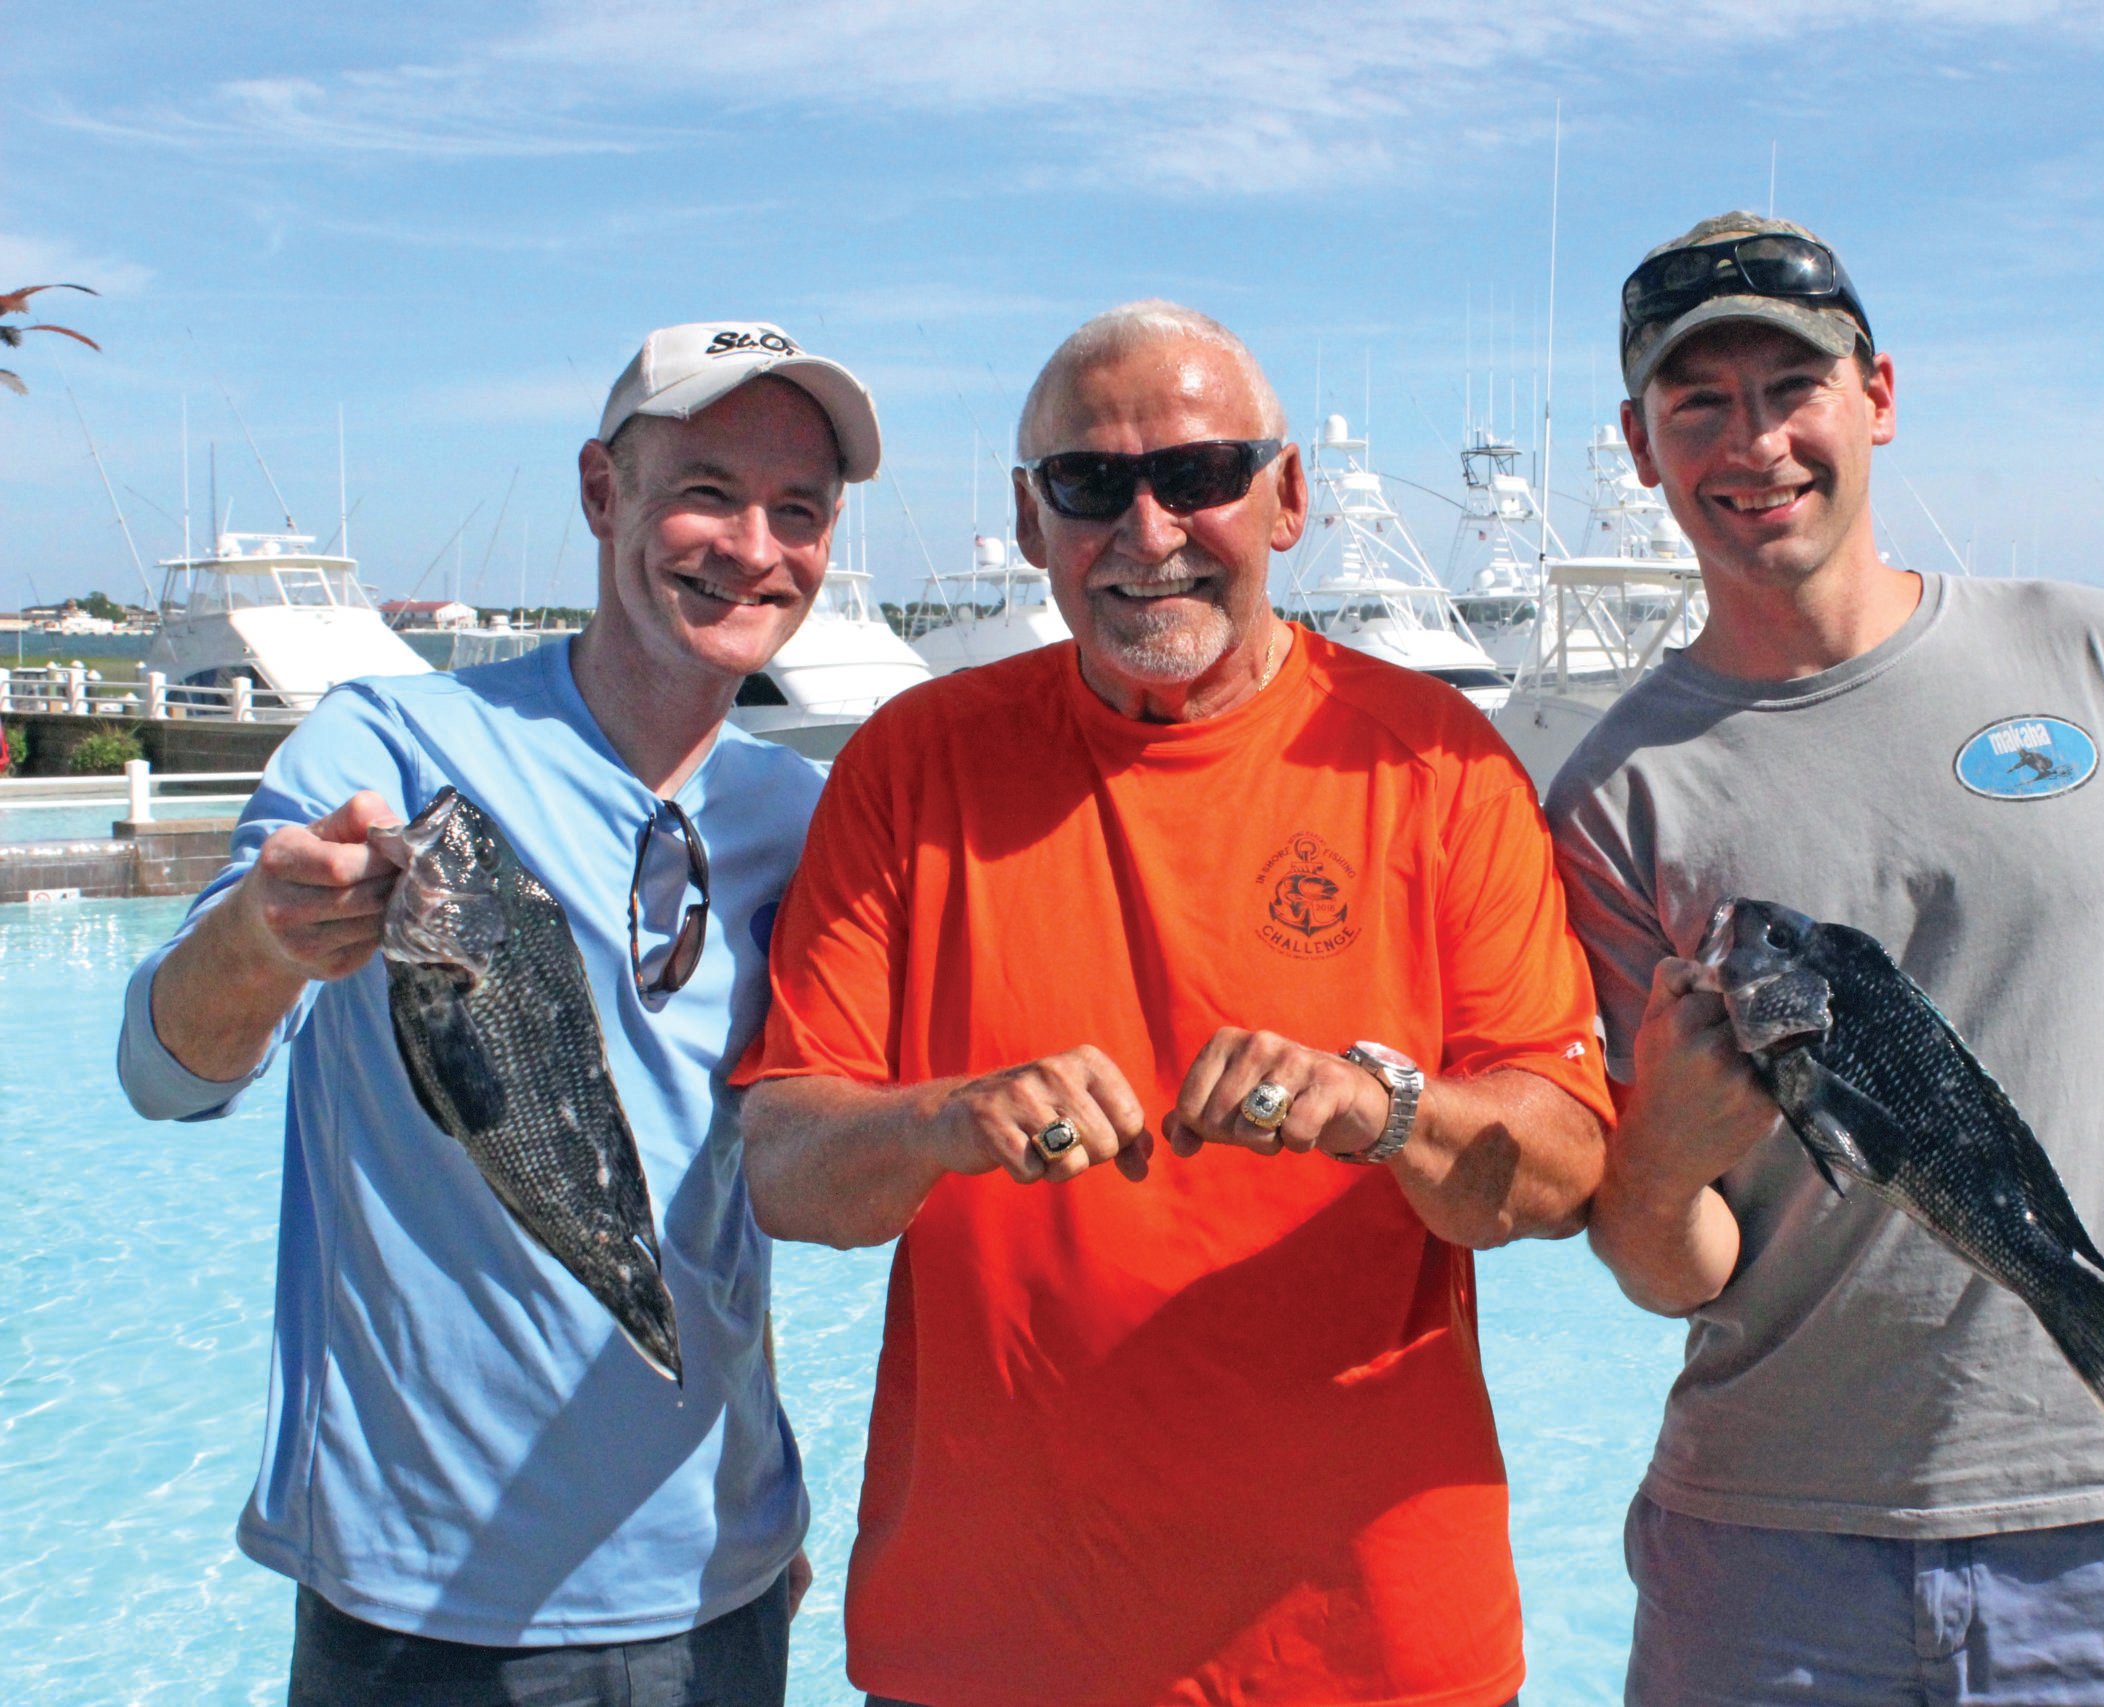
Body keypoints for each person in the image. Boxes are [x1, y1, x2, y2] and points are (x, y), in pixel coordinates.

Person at [1544, 214, 2104, 1704]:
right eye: (1696, 403)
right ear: (1641, 447)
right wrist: (1661, 1159)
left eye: (1793, 386)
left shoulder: (2101, 660)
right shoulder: (1610, 798)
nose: (1754, 442)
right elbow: (1665, 1266)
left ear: (1879, 397)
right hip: (1766, 1552)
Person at [736, 300, 1611, 1707]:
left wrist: (1381, 1108)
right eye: (1092, 483)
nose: (1149, 532)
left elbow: (1560, 1177)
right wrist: (944, 1121)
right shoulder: (910, 766)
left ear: (1288, 497)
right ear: (1032, 519)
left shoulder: (1439, 767)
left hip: (1370, 1650)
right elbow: (785, 1168)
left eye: (1200, 475)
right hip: (984, 1647)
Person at [116, 321, 883, 1705]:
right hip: (421, 1605)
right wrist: (263, 937)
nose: (752, 547)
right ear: (602, 491)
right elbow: (165, 1072)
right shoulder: (390, 746)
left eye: (799, 510)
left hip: (719, 1587)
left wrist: (765, 1492)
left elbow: (723, 1196)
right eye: (706, 491)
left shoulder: (799, 819)